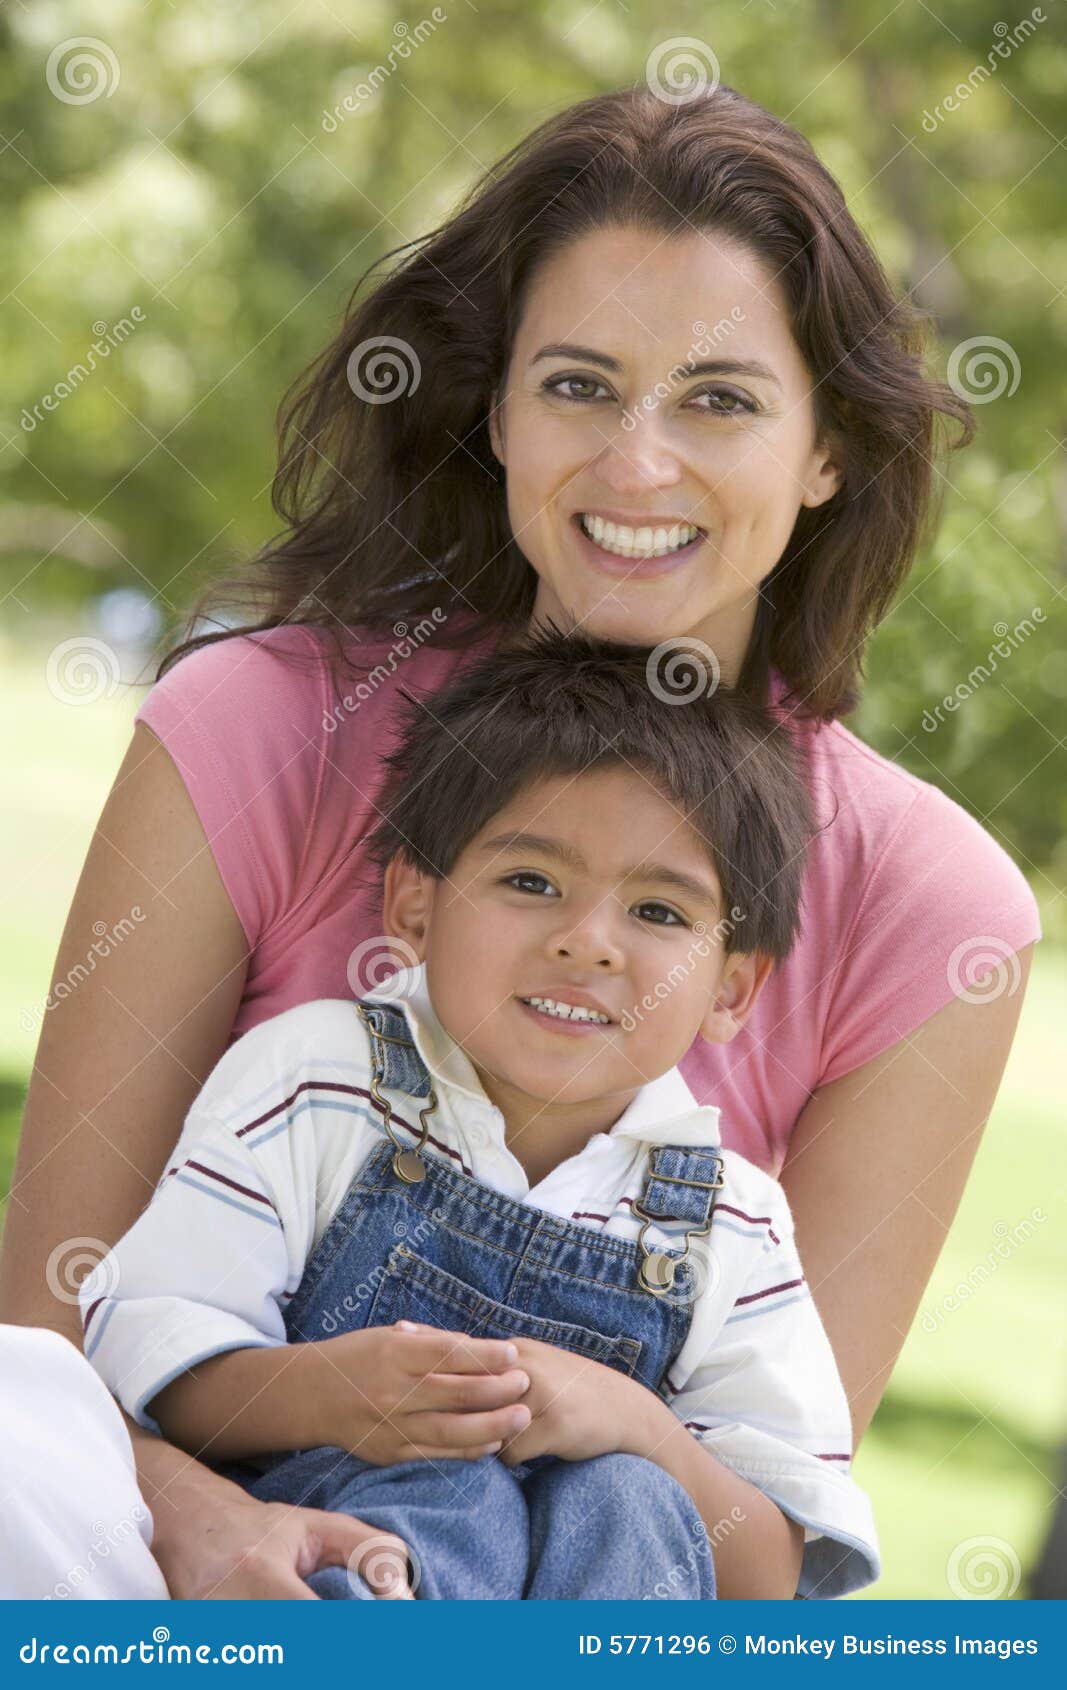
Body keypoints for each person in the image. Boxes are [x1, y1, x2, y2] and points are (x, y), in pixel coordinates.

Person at [0, 84, 1038, 1600]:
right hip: (167, 1571)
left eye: (718, 399)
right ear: (494, 413)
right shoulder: (254, 728)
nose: (632, 466)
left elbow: (761, 1539)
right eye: (577, 384)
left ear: (828, 449)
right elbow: (51, 1323)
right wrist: (210, 1525)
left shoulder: (927, 907)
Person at [77, 625, 880, 1601]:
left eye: (658, 913)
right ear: (413, 907)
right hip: (325, 1536)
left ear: (732, 989)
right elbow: (150, 1359)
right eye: (530, 882)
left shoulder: (730, 1220)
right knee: (460, 1494)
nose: (587, 945)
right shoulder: (318, 1078)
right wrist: (329, 1392)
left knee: (628, 1495)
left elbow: (770, 1570)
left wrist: (638, 1424)